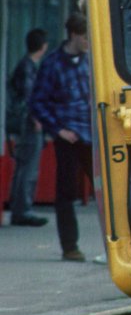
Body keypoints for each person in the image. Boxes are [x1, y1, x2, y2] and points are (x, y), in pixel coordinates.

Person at [29, 13, 91, 261]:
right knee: (65, 191)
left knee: (106, 189)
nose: (89, 42)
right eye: (86, 37)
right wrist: (57, 130)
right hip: (68, 136)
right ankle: (70, 246)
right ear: (74, 35)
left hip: (91, 134)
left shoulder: (92, 60)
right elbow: (38, 102)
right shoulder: (53, 64)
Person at [6, 27, 49, 226]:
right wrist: (38, 119)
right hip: (29, 124)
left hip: (22, 122)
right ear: (43, 46)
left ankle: (19, 207)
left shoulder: (24, 65)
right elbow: (30, 97)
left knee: (22, 166)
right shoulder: (29, 68)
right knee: (29, 167)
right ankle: (23, 209)